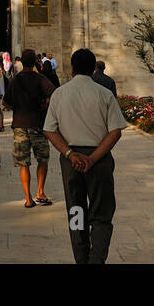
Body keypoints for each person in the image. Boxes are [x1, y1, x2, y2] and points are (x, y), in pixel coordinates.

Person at [43, 48, 128, 264]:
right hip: (99, 159)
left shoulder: (60, 94)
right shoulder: (104, 94)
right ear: (93, 69)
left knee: (76, 211)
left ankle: (81, 259)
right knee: (101, 214)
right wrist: (93, 158)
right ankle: (96, 260)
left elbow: (50, 130)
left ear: (72, 68)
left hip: (70, 160)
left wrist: (70, 155)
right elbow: (115, 131)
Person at [4, 49, 55, 208]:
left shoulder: (16, 80)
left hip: (19, 124)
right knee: (42, 159)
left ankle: (28, 198)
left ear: (21, 62)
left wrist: (17, 108)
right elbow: (54, 93)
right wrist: (44, 104)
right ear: (35, 62)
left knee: (23, 163)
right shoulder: (40, 78)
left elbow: (5, 102)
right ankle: (40, 192)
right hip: (36, 124)